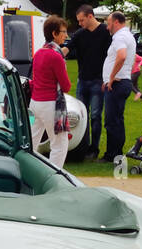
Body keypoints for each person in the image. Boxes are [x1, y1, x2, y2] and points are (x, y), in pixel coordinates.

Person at [65, 4, 110, 159]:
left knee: (96, 116)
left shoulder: (106, 32)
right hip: (82, 80)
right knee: (80, 116)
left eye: (82, 20)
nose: (80, 23)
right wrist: (51, 54)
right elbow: (67, 49)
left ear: (90, 16)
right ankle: (81, 146)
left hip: (99, 81)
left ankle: (94, 148)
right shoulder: (79, 34)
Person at [30, 15, 71, 169]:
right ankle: (54, 178)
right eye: (63, 32)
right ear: (54, 34)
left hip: (34, 104)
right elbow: (66, 86)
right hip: (50, 105)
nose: (66, 35)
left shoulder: (39, 53)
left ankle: (27, 173)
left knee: (31, 143)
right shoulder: (56, 56)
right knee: (59, 144)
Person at [99, 10, 134, 161]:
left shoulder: (119, 37)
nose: (107, 27)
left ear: (116, 22)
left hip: (117, 84)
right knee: (117, 119)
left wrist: (111, 78)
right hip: (121, 82)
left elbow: (121, 56)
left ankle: (112, 154)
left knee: (112, 121)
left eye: (108, 23)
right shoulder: (128, 36)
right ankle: (117, 153)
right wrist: (107, 79)